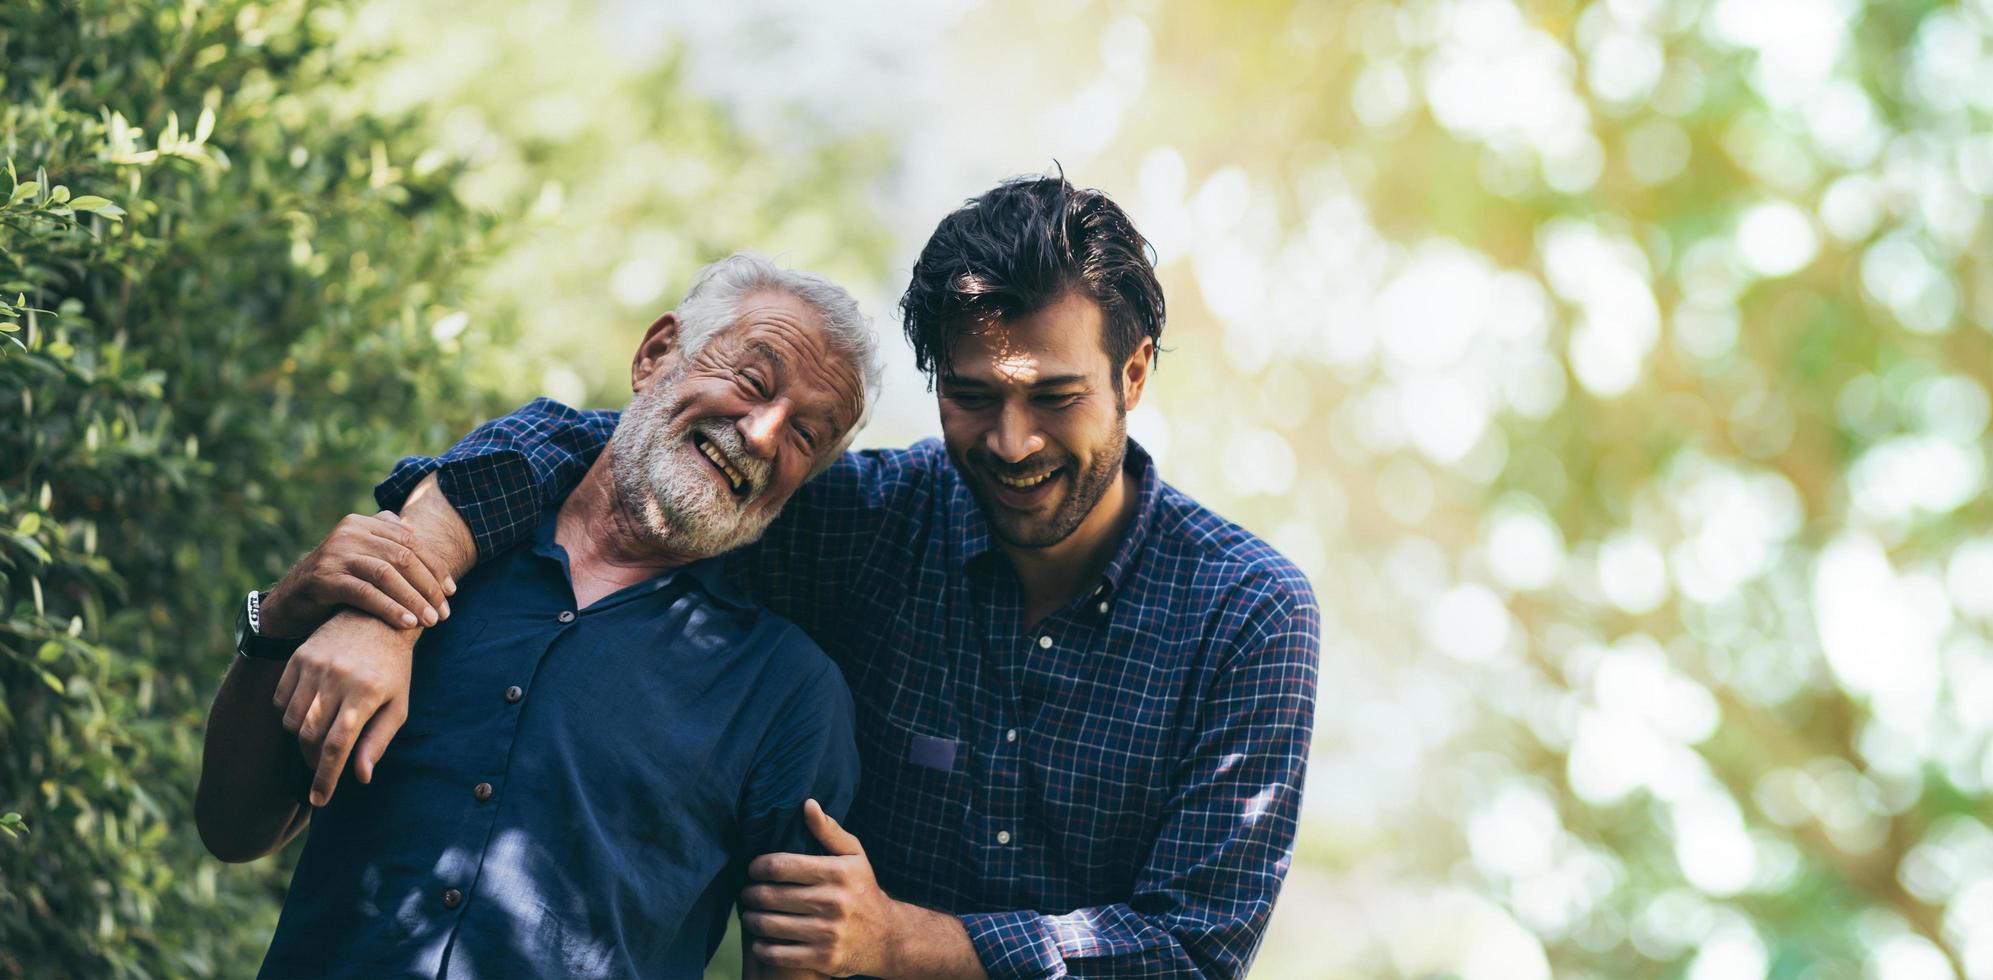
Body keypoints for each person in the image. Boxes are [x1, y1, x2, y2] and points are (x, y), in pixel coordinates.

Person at [275, 175, 1321, 979]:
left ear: (1133, 373)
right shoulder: (870, 523)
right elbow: (610, 453)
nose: (1009, 442)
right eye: (969, 397)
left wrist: (904, 940)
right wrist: (400, 588)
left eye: (1055, 396)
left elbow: (1193, 947)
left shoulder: (1247, 613)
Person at [196, 252, 881, 978]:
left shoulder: (790, 695)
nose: (765, 433)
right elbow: (234, 828)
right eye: (751, 380)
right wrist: (278, 618)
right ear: (655, 354)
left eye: (808, 434)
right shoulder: (431, 547)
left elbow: (803, 955)